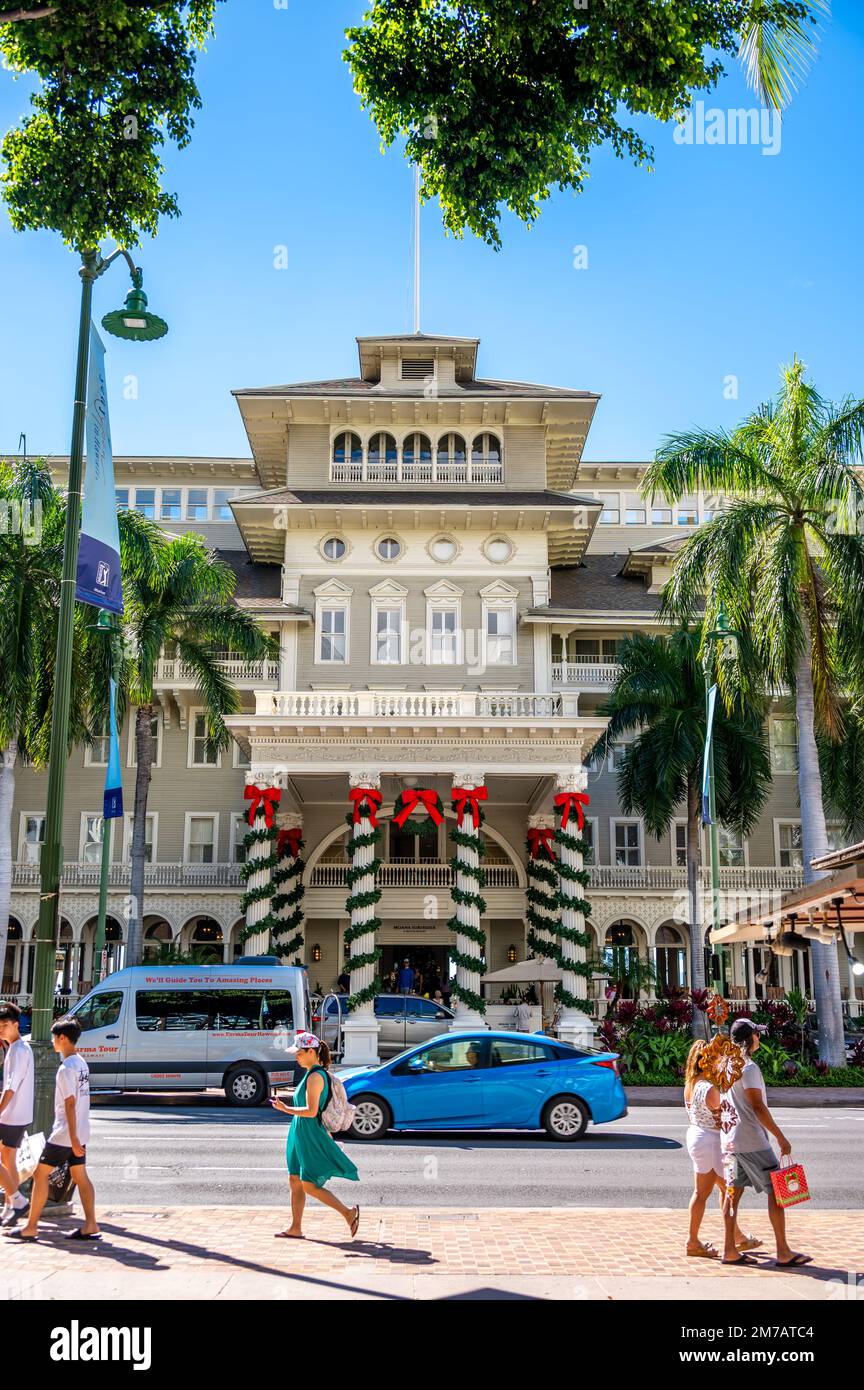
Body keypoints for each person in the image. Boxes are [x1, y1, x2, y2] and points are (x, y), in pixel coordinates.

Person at [721, 1018, 810, 1268]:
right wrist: (780, 1137)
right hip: (752, 1140)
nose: (760, 1039)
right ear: (750, 1039)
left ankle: (729, 1250)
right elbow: (758, 1107)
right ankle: (783, 1251)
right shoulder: (748, 1068)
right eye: (757, 1035)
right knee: (778, 1192)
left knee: (732, 1195)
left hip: (731, 1140)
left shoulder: (727, 1066)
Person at [11, 1016, 99, 1242]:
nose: (52, 1042)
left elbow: (69, 1104)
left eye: (54, 1037)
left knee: (40, 1174)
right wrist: (77, 1138)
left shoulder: (65, 1069)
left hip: (64, 1135)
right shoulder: (81, 1063)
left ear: (63, 1038)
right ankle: (91, 1224)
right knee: (80, 1176)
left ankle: (31, 1227)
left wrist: (71, 1138)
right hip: (79, 1132)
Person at [271, 1031, 359, 1241]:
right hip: (299, 1130)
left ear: (311, 1052)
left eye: (299, 1053)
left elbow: (311, 1111)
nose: (296, 1056)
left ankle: (348, 1213)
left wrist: (286, 1109)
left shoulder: (316, 1076)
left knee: (308, 1183)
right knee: (294, 1179)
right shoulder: (311, 1073)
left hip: (309, 1131)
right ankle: (296, 1227)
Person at [682, 1040, 755, 1259]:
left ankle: (696, 1241)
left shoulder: (691, 1084)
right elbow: (726, 1115)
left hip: (697, 1136)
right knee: (730, 1192)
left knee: (702, 1192)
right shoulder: (709, 1087)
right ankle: (732, 1244)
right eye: (714, 1057)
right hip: (712, 1140)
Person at [0, 1002, 34, 1226]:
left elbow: (11, 1087)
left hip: (12, 1115)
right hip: (15, 1115)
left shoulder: (18, 1050)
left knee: (5, 1158)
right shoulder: (17, 1048)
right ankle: (11, 1205)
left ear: (15, 1025)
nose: (1, 1029)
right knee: (6, 1158)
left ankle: (17, 1200)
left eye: (4, 1025)